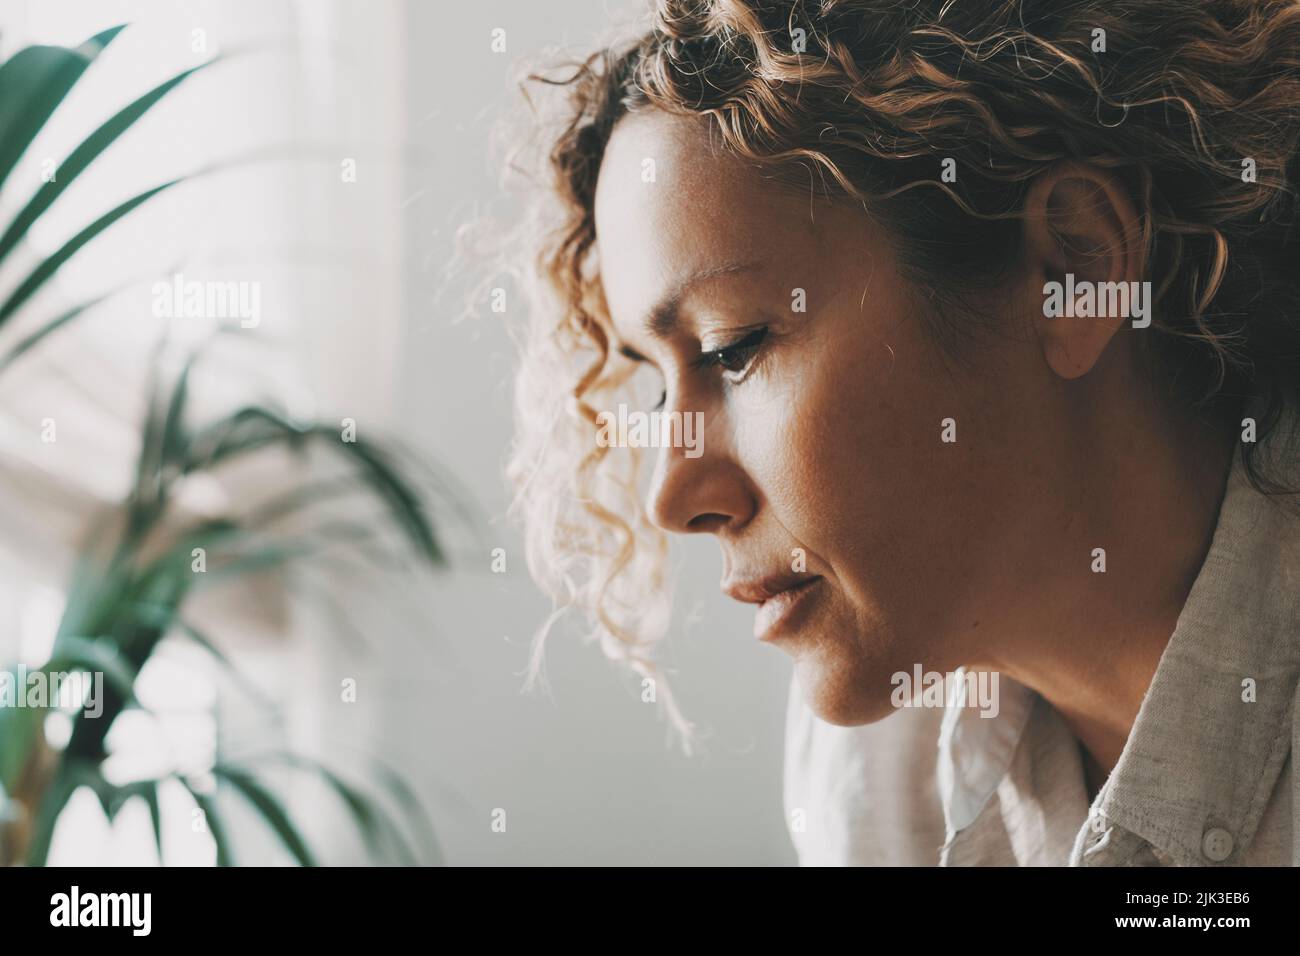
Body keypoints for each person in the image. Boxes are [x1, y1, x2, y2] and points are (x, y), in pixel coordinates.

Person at [501, 0, 1300, 864]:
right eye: (660, 386)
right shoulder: (878, 753)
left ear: (1073, 268)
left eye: (733, 349)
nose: (673, 495)